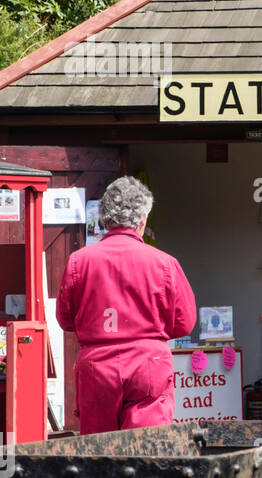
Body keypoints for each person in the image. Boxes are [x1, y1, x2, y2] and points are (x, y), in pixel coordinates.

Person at [57, 176, 196, 434]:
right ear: (142, 219)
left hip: (97, 367)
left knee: (99, 450)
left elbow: (66, 320)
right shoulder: (164, 263)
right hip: (149, 363)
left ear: (105, 219)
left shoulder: (79, 261)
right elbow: (184, 323)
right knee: (148, 448)